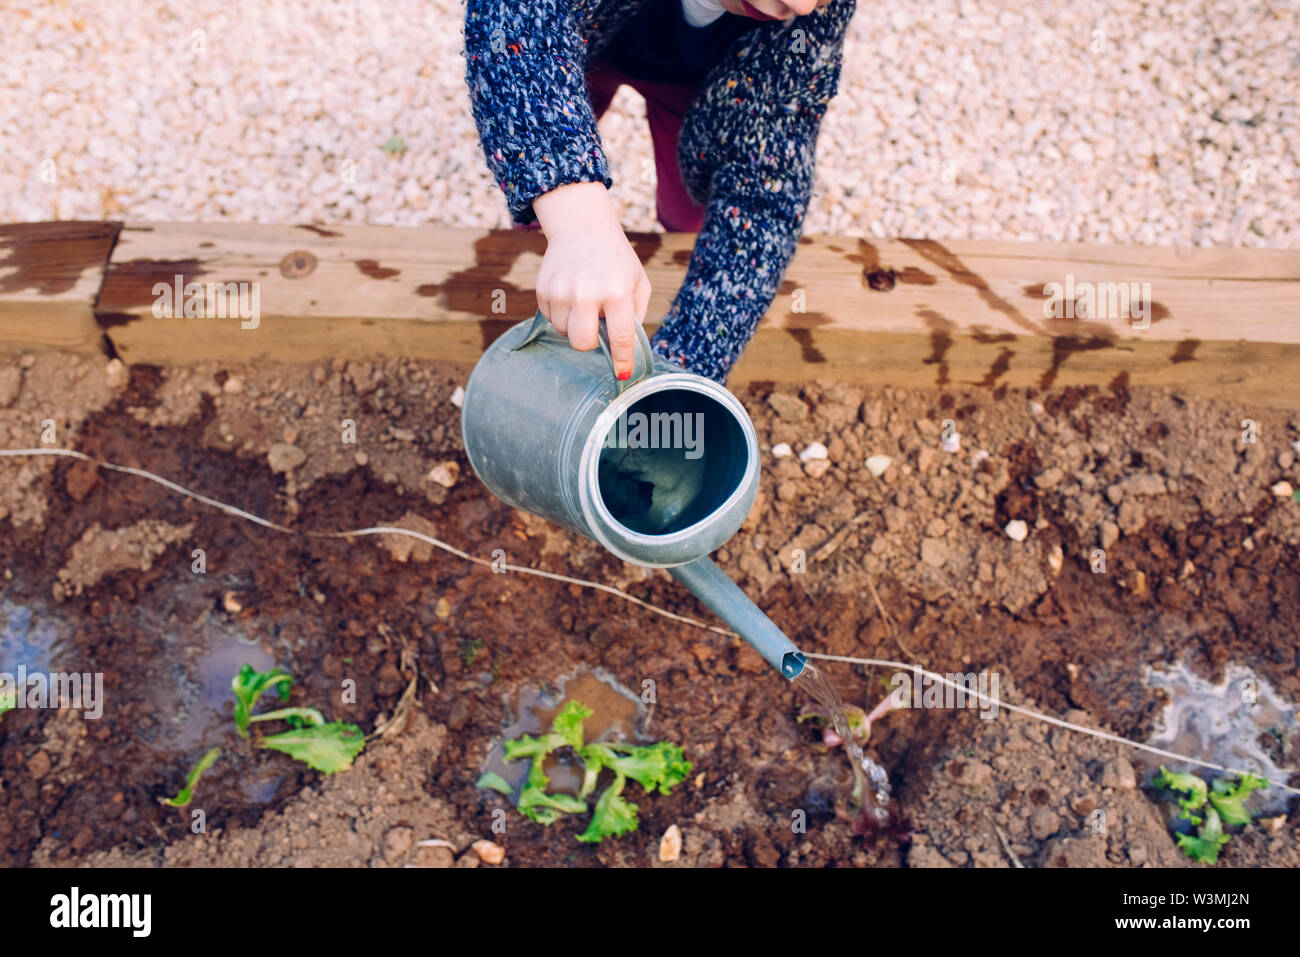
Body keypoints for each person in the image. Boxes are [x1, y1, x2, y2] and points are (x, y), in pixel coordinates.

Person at [464, 0, 852, 383]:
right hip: (578, 46)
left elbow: (763, 182)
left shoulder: (807, 20)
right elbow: (514, 23)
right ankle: (543, 247)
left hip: (698, 83)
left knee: (687, 211)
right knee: (541, 162)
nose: (800, 6)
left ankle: (671, 237)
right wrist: (575, 221)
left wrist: (682, 371)